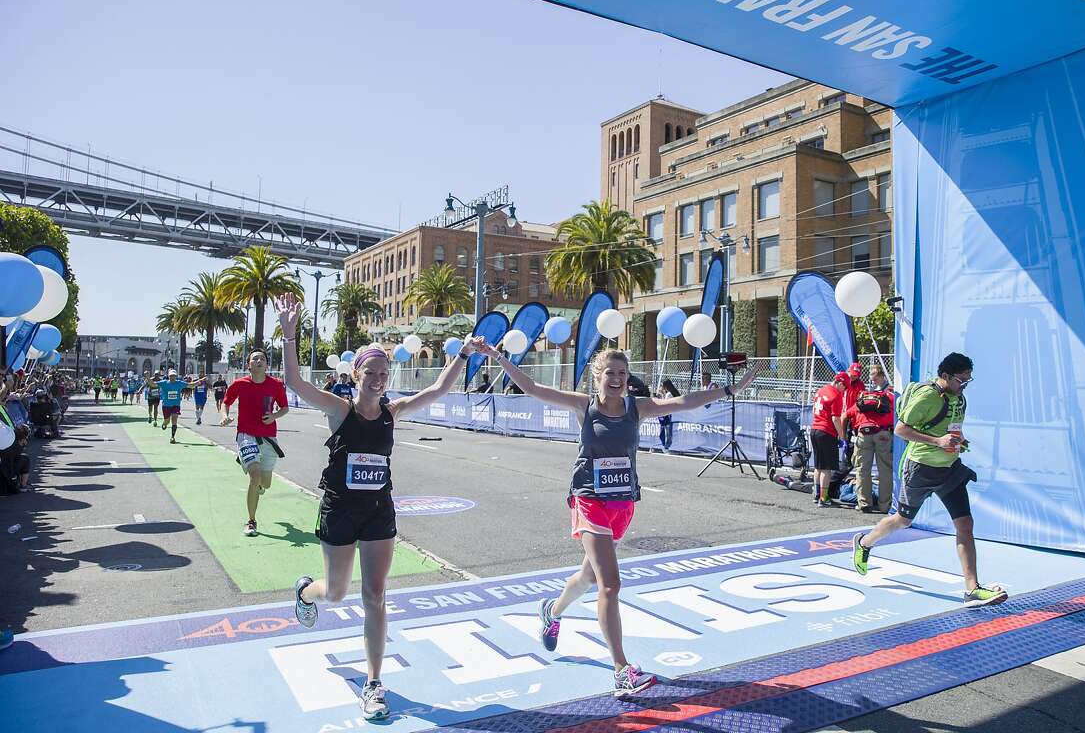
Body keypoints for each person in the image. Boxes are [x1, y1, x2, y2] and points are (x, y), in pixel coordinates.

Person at [481, 343, 758, 699]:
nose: (616, 380)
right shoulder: (584, 405)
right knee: (609, 584)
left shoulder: (636, 408)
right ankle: (621, 671)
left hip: (622, 501)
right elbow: (533, 389)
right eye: (610, 373)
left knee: (588, 575)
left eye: (622, 374)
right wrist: (500, 358)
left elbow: (684, 402)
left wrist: (731, 389)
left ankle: (552, 610)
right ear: (598, 376)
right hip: (589, 498)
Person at [276, 293, 483, 721]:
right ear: (355, 374)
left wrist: (462, 353)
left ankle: (373, 683)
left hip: (378, 512)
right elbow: (295, 383)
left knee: (375, 595)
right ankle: (305, 591)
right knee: (335, 593)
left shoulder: (393, 411)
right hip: (338, 509)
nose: (377, 378)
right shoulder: (339, 409)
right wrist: (290, 335)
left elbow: (439, 387)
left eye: (383, 373)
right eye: (370, 371)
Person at [852, 352, 1007, 608]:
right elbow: (901, 429)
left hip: (949, 469)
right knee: (902, 521)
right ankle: (864, 542)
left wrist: (958, 440)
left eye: (968, 381)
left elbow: (950, 428)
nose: (964, 386)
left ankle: (972, 589)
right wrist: (938, 441)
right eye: (960, 381)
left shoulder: (959, 399)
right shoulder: (927, 397)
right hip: (921, 469)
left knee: (965, 524)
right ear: (945, 376)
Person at [220, 351, 289, 537]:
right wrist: (225, 416)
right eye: (255, 359)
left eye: (262, 359)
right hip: (246, 436)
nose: (259, 361)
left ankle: (259, 487)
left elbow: (285, 408)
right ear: (248, 365)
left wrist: (274, 416)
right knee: (255, 475)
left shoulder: (275, 385)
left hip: (268, 438)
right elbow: (225, 403)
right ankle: (251, 521)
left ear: (267, 365)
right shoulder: (239, 384)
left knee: (265, 483)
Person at [850, 364, 895, 514]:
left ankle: (864, 502)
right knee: (885, 470)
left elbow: (850, 413)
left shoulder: (865, 395)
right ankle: (885, 505)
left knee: (862, 469)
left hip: (864, 432)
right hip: (883, 433)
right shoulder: (891, 394)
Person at [810, 372, 847, 507]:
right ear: (840, 383)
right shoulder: (836, 395)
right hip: (826, 432)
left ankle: (816, 494)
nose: (845, 390)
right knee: (826, 468)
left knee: (818, 466)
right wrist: (842, 436)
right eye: (845, 387)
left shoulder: (821, 390)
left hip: (814, 429)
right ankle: (824, 498)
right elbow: (835, 419)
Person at [157, 369, 200, 443]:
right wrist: (147, 378)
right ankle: (164, 423)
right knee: (167, 421)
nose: (172, 377)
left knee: (174, 420)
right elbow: (153, 384)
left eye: (173, 376)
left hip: (176, 405)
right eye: (171, 376)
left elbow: (190, 385)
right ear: (168, 376)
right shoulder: (164, 383)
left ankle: (172, 437)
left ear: (176, 376)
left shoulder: (179, 383)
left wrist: (198, 382)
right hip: (166, 405)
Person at [655, 380, 679, 451]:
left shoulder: (669, 394)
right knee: (668, 431)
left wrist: (662, 395)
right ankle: (666, 445)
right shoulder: (669, 393)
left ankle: (667, 446)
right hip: (669, 414)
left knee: (667, 431)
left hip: (668, 414)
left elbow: (665, 403)